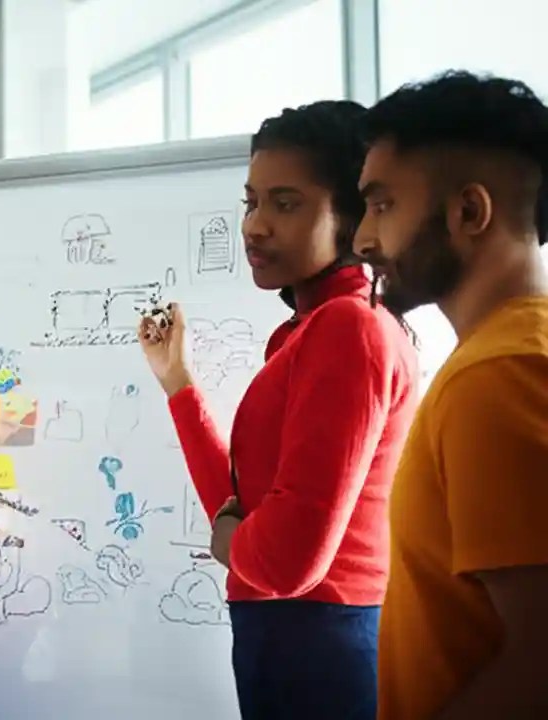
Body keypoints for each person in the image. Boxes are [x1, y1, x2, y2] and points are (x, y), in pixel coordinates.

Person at [138, 101, 419, 719]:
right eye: (251, 202)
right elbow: (233, 510)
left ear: (352, 215)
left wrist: (234, 543)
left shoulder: (349, 326)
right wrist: (177, 381)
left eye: (285, 204)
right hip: (295, 637)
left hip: (321, 641)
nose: (254, 226)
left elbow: (289, 560)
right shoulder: (306, 331)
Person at [354, 71, 548, 720]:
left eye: (382, 205)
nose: (362, 240)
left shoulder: (499, 374)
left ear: (469, 211)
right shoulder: (504, 357)